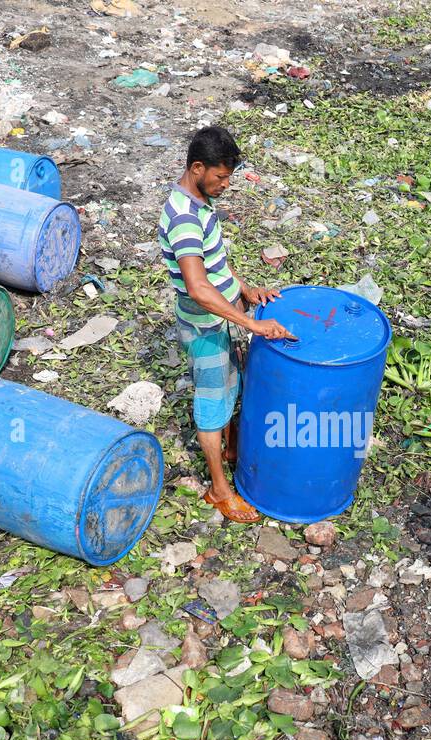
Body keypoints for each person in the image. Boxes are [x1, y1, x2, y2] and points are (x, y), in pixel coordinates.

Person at [157, 125, 294, 523]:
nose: (226, 184)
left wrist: (244, 288)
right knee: (212, 405)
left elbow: (214, 261)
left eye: (229, 176)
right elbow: (199, 288)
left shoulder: (200, 200)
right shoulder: (183, 217)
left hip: (224, 314)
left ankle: (231, 452)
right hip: (205, 325)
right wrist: (250, 324)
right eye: (220, 176)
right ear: (196, 167)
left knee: (232, 387)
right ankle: (219, 489)